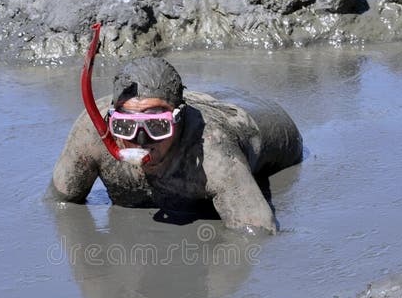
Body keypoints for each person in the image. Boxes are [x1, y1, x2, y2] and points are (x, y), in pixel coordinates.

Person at [50, 56, 302, 233]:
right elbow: (58, 205)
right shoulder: (91, 133)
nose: (140, 139)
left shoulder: (210, 150)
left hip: (273, 126)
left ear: (179, 121)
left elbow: (256, 232)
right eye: (125, 126)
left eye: (157, 126)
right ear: (111, 121)